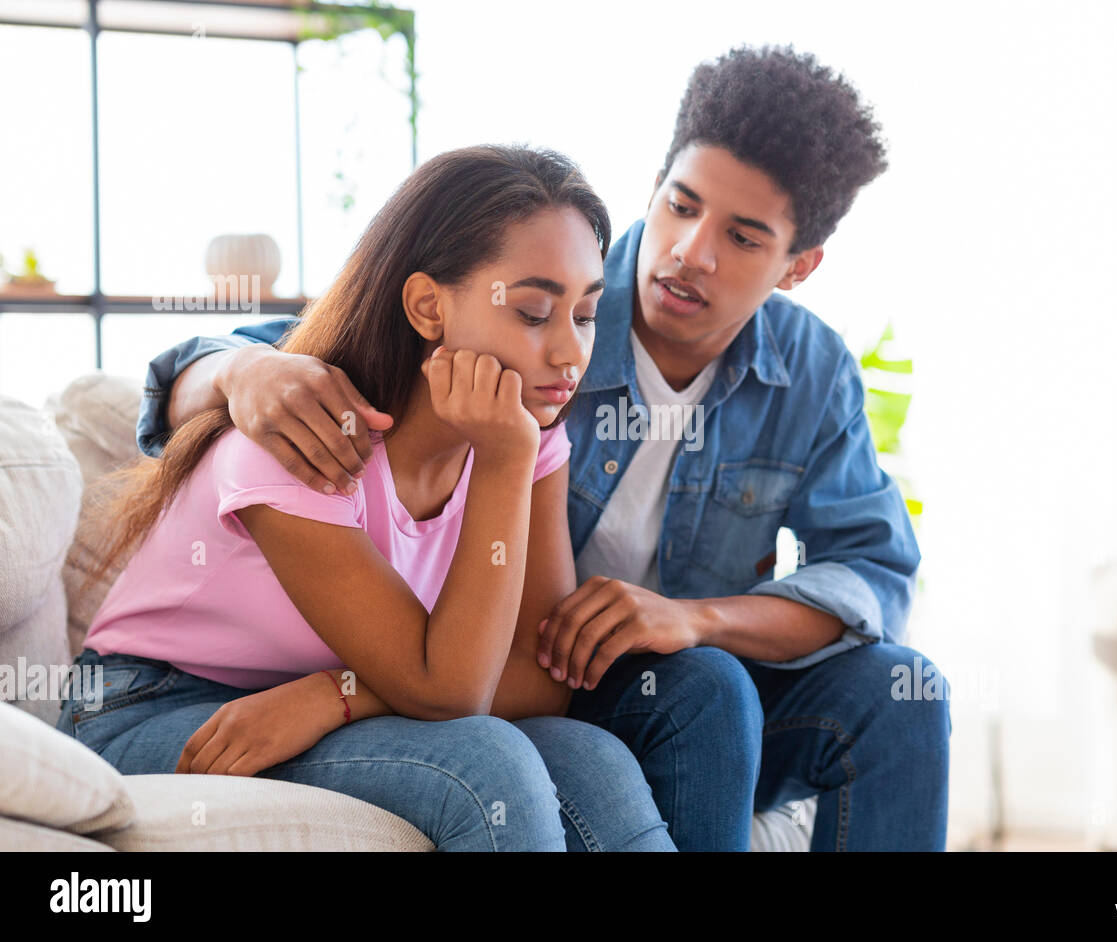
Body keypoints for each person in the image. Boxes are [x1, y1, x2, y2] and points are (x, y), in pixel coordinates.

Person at [140, 45, 951, 852]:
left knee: (896, 696)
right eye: (681, 204)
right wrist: (243, 369)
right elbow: (310, 354)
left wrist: (693, 618)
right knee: (706, 689)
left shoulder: (810, 372)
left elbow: (870, 577)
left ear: (798, 265)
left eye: (742, 237)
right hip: (550, 671)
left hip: (656, 680)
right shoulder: (544, 285)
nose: (690, 251)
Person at [58, 144, 676, 852]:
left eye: (587, 315)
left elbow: (538, 675)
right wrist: (505, 460)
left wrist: (335, 695)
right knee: (486, 767)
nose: (570, 354)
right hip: (152, 705)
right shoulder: (301, 441)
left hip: (328, 690)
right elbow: (450, 694)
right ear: (426, 306)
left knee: (593, 762)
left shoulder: (529, 429)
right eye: (535, 313)